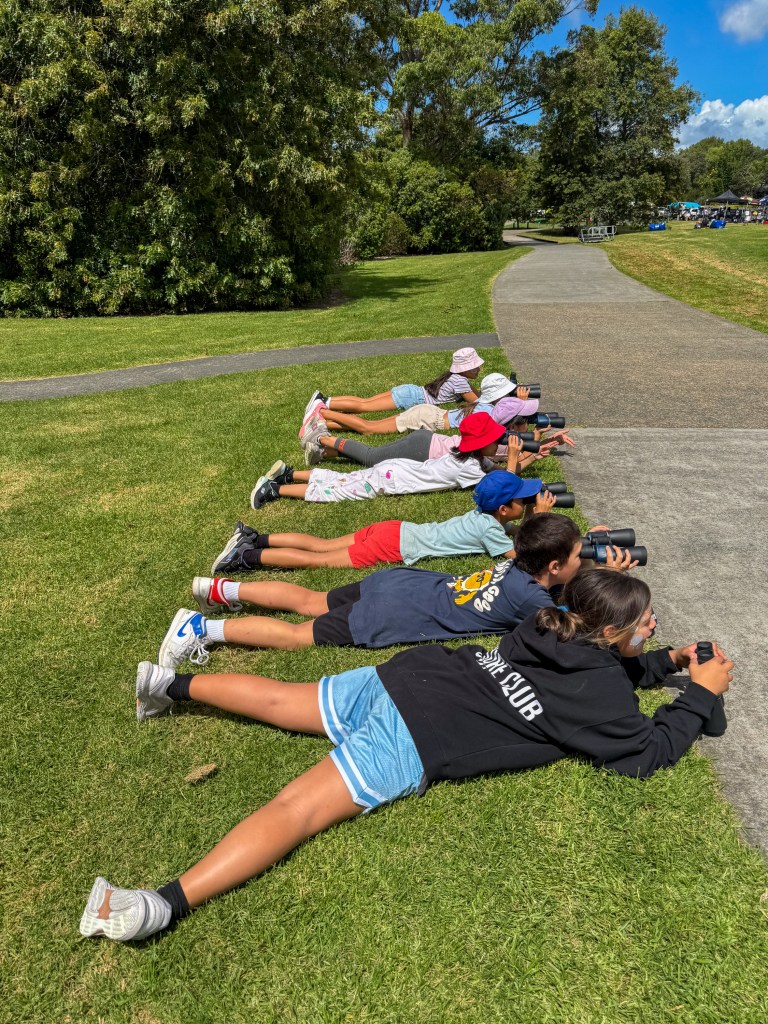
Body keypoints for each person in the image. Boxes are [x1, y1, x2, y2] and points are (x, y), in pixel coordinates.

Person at [80, 569, 734, 942]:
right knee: (297, 808)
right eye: (646, 623)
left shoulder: (545, 627)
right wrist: (698, 696)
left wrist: (662, 663)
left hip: (408, 676)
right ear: (612, 631)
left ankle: (167, 684)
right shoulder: (600, 694)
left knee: (285, 699)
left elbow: (594, 673)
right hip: (420, 732)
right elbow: (644, 752)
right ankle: (159, 906)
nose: (654, 627)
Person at [156, 514, 636, 666]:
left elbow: (541, 554)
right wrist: (611, 578)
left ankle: (219, 587)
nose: (583, 561)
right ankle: (202, 627)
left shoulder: (517, 561)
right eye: (579, 556)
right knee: (299, 634)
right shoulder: (536, 602)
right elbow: (586, 628)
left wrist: (581, 548)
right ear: (555, 566)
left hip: (398, 582)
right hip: (393, 614)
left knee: (309, 600)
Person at [210, 472, 555, 573]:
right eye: (523, 501)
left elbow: (513, 532)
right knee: (319, 560)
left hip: (396, 528)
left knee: (320, 544)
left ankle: (256, 538)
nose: (527, 505)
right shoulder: (490, 531)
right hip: (395, 545)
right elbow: (520, 558)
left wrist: (528, 514)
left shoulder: (484, 518)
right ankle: (245, 557)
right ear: (506, 508)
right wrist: (539, 518)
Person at [249, 413, 510, 510]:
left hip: (394, 470)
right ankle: (274, 489)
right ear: (479, 445)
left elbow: (497, 470)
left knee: (343, 479)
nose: (498, 445)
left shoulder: (464, 457)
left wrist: (526, 455)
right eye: (494, 440)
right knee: (334, 491)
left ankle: (289, 474)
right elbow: (505, 483)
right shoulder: (470, 469)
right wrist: (515, 457)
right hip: (391, 481)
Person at [305, 371, 540, 438]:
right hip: (425, 418)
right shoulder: (492, 412)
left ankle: (323, 425)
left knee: (371, 423)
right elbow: (504, 420)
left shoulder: (487, 406)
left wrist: (516, 401)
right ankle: (323, 412)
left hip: (429, 413)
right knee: (369, 427)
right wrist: (519, 402)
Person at [302, 346, 484, 417]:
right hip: (412, 399)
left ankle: (325, 400)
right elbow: (477, 402)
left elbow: (476, 395)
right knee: (365, 406)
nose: (478, 369)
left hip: (411, 391)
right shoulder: (460, 382)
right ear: (464, 368)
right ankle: (322, 403)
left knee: (365, 401)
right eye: (475, 366)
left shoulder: (456, 377)